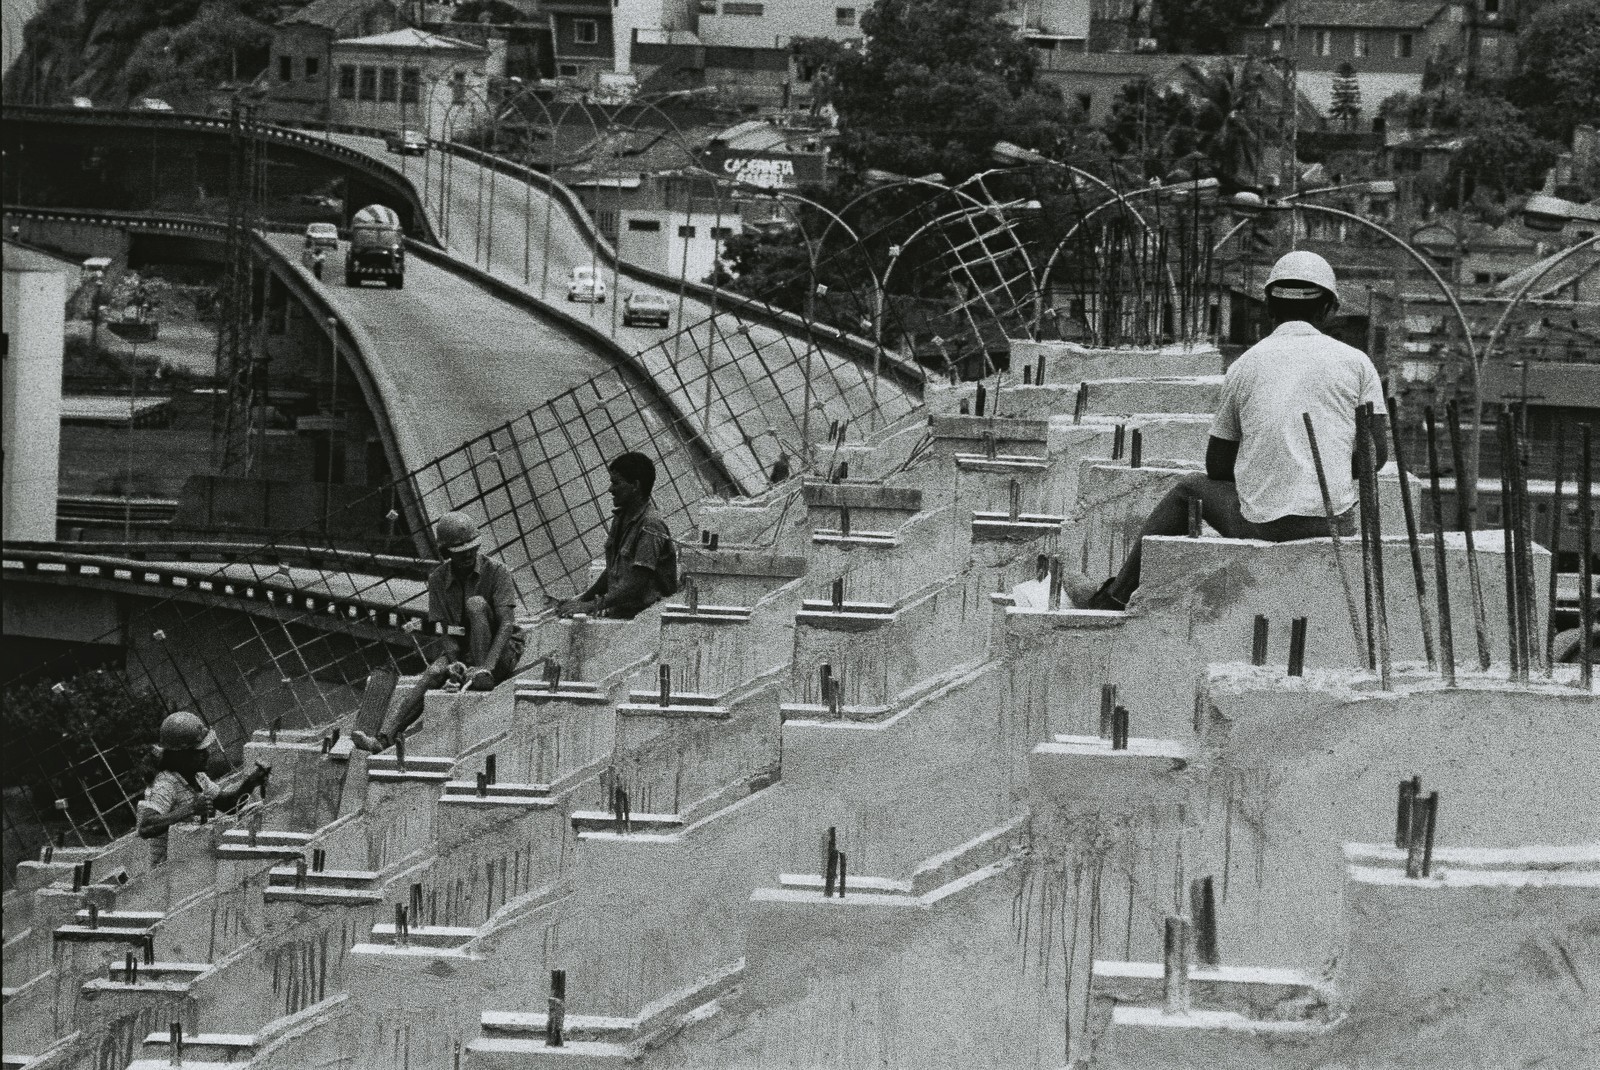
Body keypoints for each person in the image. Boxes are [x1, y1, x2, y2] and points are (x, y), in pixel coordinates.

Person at [1066, 250, 1387, 610]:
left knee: (1188, 490)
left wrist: (1267, 466)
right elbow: (1375, 457)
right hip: (1334, 525)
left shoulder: (1244, 366)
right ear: (1328, 309)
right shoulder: (1359, 364)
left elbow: (1217, 467)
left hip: (1261, 526)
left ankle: (1113, 597)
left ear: (1268, 306)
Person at [352, 511, 524, 753]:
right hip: (465, 649)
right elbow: (448, 631)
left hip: (499, 652)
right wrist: (455, 665)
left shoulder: (497, 571)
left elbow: (506, 624)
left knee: (476, 604)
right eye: (459, 551)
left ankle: (482, 676)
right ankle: (382, 739)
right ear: (446, 553)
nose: (467, 555)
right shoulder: (438, 580)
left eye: (471, 549)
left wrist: (486, 665)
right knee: (434, 671)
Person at [137, 711, 270, 865]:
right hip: (166, 867)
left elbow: (229, 805)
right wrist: (191, 808)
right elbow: (146, 827)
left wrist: (251, 782)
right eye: (200, 751)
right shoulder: (166, 783)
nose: (207, 754)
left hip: (188, 859)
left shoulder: (198, 777)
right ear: (182, 755)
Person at [558, 452, 678, 620]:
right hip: (623, 613)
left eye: (616, 483)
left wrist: (591, 606)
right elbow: (614, 571)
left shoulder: (650, 525)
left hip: (646, 619)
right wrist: (583, 599)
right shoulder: (621, 517)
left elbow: (636, 584)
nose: (610, 489)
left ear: (635, 485)